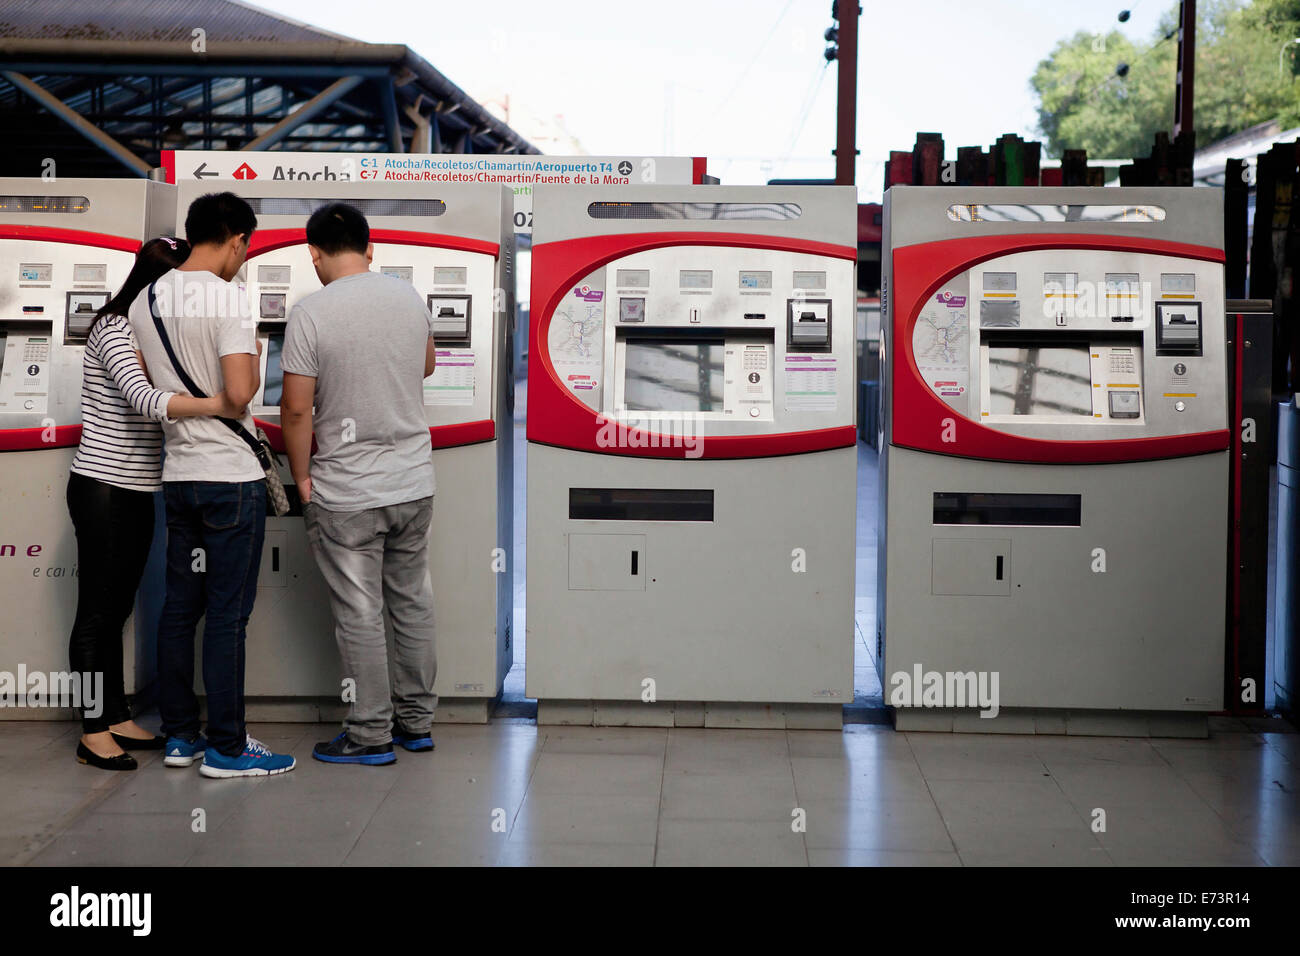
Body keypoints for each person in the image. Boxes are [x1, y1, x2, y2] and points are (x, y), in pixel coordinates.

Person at [129, 192, 295, 778]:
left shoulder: (146, 299)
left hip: (180, 478)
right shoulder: (229, 298)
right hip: (230, 480)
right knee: (227, 615)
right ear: (235, 240)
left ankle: (180, 738)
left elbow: (157, 387)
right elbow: (242, 393)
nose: (242, 259)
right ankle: (227, 748)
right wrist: (240, 372)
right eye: (243, 249)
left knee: (181, 608)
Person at [67, 236, 241, 772]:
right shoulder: (116, 327)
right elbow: (144, 399)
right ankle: (93, 730)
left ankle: (116, 714)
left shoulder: (142, 326)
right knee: (97, 613)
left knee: (117, 608)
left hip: (138, 487)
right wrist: (223, 404)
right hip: (104, 487)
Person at [280, 202, 438, 766]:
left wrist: (301, 480)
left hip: (347, 491)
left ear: (314, 253)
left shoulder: (310, 312)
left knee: (360, 613)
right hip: (413, 483)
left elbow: (296, 411)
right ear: (371, 249)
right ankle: (416, 724)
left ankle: (370, 735)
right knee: (411, 602)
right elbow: (426, 366)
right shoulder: (408, 297)